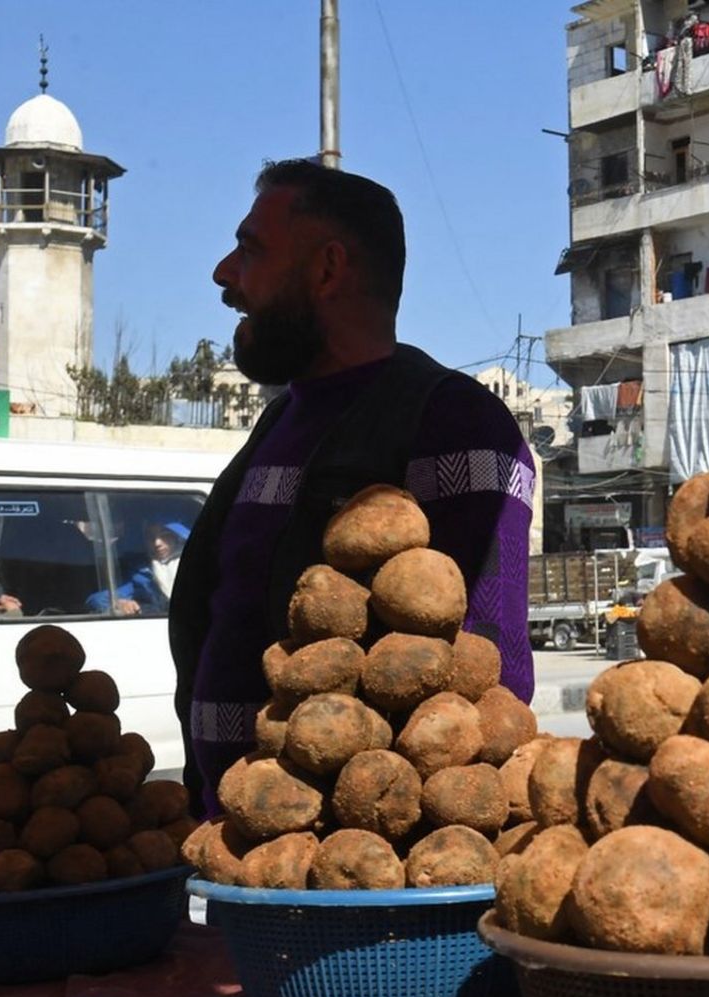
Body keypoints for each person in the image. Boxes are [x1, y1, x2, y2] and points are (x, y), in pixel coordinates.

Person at [170, 159, 537, 817]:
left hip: (346, 859)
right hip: (243, 844)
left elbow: (485, 680)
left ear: (327, 269)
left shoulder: (453, 420)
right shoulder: (282, 418)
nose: (225, 274)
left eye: (251, 249)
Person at [87, 522, 188, 616]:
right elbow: (97, 599)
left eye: (165, 535)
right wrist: (119, 603)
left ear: (177, 536)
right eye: (150, 537)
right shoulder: (143, 575)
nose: (157, 543)